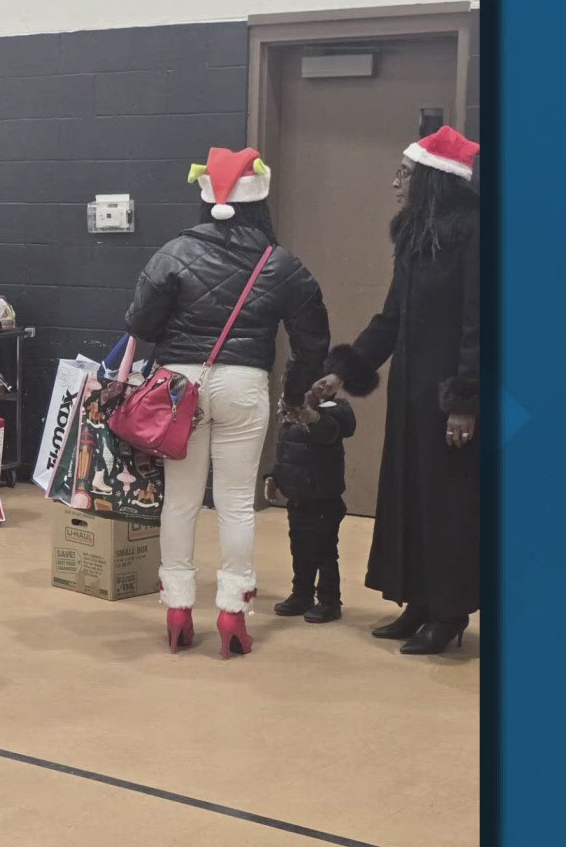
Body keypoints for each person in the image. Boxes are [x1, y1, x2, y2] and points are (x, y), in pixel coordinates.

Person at [125, 147, 330, 658]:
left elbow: (141, 323)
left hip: (179, 388)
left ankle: (177, 610)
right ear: (259, 202)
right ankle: (232, 612)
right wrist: (295, 394)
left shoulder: (174, 253)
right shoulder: (280, 263)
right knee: (236, 502)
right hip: (245, 383)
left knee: (181, 501)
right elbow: (313, 339)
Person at [311, 126, 480, 655]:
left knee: (446, 503)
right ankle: (419, 602)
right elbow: (391, 319)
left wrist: (465, 402)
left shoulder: (475, 234)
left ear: (433, 179)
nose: (395, 183)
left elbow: (479, 324)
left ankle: (449, 613)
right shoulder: (412, 235)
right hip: (411, 391)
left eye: (404, 174)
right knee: (410, 496)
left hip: (449, 398)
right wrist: (344, 371)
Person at [265, 387, 357, 623]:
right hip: (298, 498)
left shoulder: (333, 414)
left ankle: (329, 601)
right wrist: (274, 477)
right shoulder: (291, 416)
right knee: (300, 550)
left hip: (324, 499)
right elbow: (286, 452)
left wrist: (312, 416)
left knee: (324, 552)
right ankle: (301, 594)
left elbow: (329, 431)